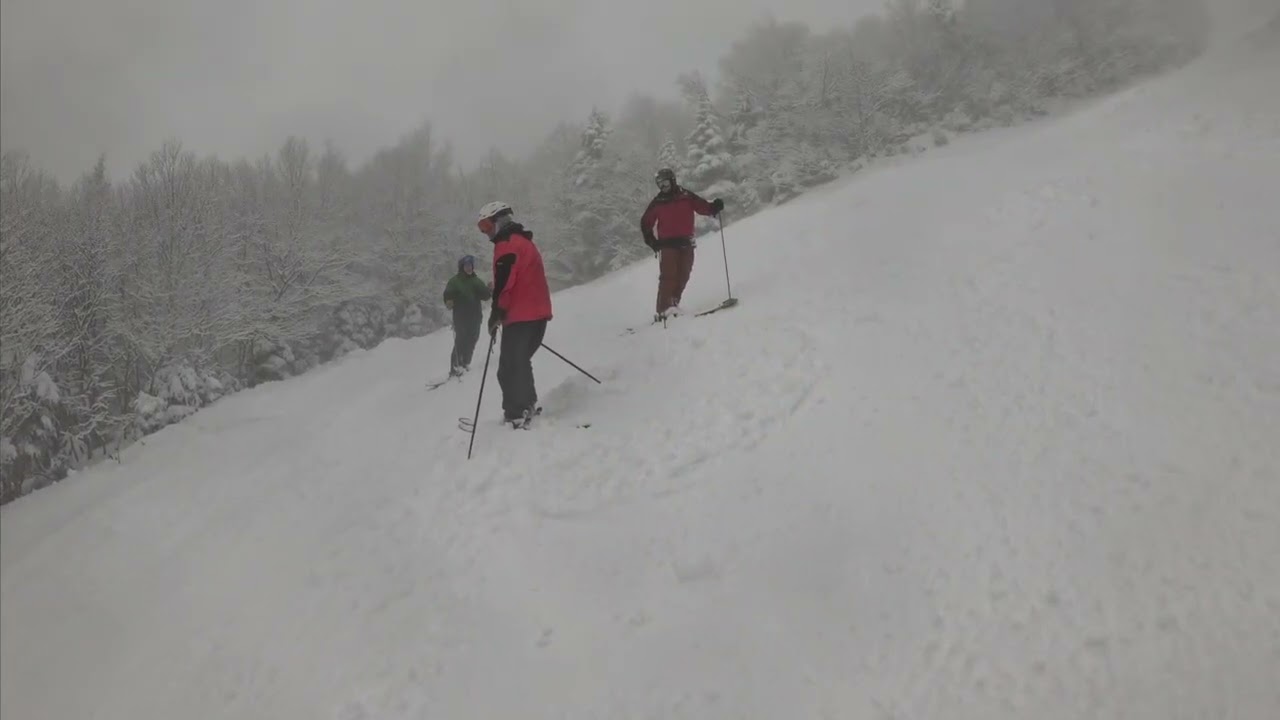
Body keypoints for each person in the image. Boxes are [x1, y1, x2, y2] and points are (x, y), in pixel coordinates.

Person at [477, 201, 553, 426]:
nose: (486, 233)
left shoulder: (506, 245)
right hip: (537, 314)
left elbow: (504, 284)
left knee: (509, 367)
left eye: (487, 226)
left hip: (522, 316)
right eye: (482, 229)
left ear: (499, 221)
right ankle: (525, 404)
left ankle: (517, 413)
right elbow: (517, 278)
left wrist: (495, 313)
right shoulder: (523, 241)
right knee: (518, 361)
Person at [638, 168, 723, 322]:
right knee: (668, 276)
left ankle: (673, 304)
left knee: (684, 275)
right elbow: (645, 223)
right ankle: (664, 310)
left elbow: (701, 206)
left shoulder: (685, 196)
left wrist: (713, 208)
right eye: (660, 185)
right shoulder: (658, 203)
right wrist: (652, 241)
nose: (663, 187)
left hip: (687, 241)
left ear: (672, 181)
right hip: (667, 245)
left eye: (665, 183)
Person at [442, 254, 491, 375]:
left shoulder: (476, 281)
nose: (469, 268)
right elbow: (448, 294)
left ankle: (465, 363)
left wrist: (490, 290)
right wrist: (448, 301)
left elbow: (485, 296)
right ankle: (455, 367)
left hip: (475, 317)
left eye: (471, 266)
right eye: (467, 266)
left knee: (473, 339)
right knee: (461, 340)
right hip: (461, 317)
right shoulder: (455, 281)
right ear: (462, 267)